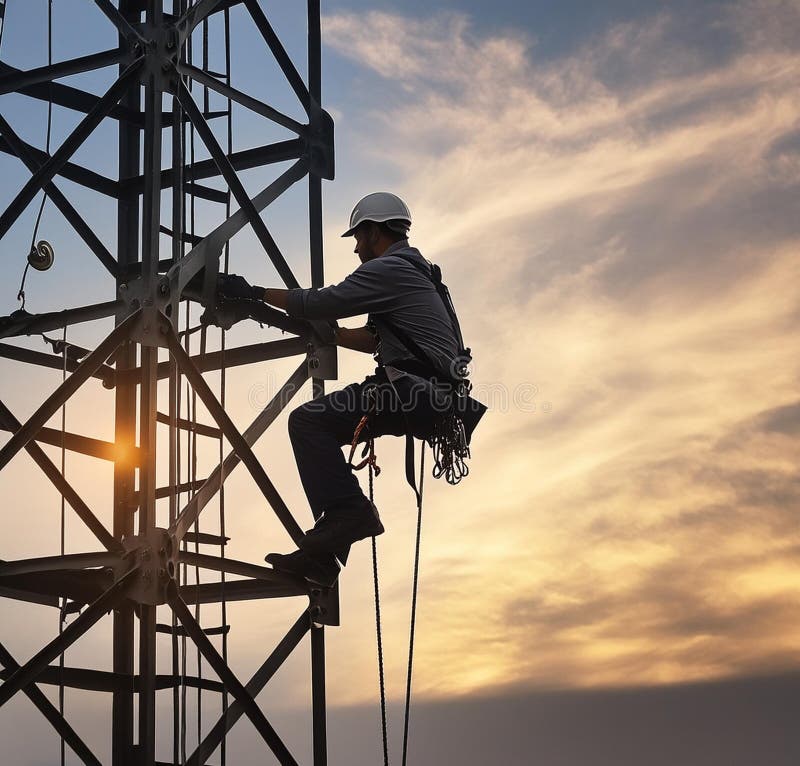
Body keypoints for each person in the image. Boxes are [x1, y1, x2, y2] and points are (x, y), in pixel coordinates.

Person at [218, 192, 475, 586]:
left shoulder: (389, 269)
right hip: (428, 394)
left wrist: (251, 293)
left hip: (411, 390)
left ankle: (349, 513)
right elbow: (376, 337)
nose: (356, 248)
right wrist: (334, 335)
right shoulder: (417, 271)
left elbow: (322, 301)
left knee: (308, 422)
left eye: (358, 237)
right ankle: (324, 556)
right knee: (317, 424)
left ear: (374, 232)